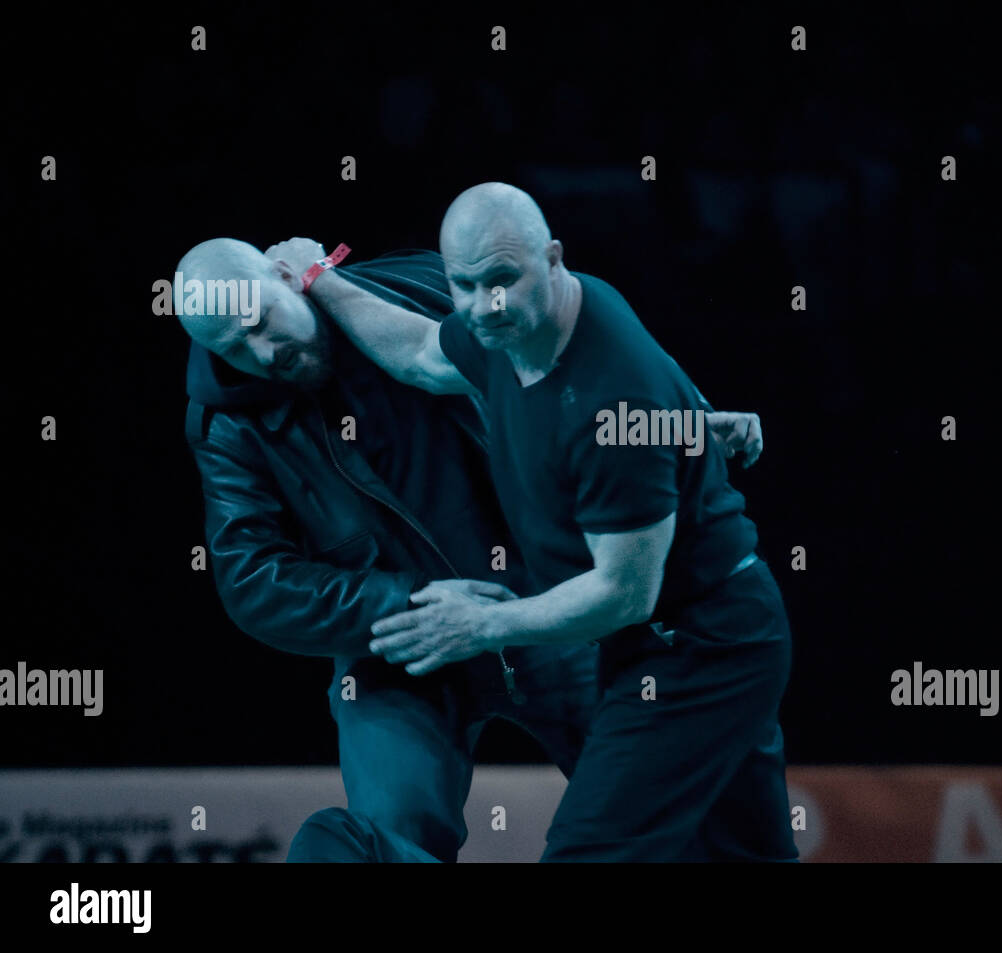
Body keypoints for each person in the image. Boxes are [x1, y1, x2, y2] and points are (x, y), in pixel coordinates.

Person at [176, 237, 763, 861]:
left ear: (285, 274)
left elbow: (571, 334)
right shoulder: (226, 422)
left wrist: (682, 415)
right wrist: (408, 601)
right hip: (403, 648)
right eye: (234, 349)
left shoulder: (414, 288)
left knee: (667, 813)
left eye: (260, 323)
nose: (263, 354)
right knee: (385, 842)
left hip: (546, 605)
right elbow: (253, 582)